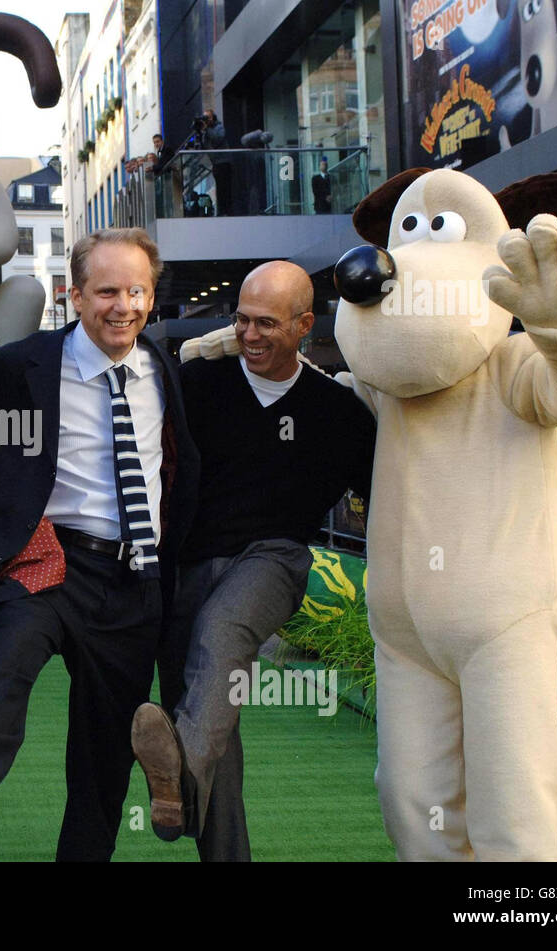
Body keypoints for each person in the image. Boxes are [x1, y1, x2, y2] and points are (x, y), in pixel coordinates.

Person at [0, 227, 200, 862]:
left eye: (136, 291)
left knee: (105, 751)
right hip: (49, 562)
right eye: (107, 291)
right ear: (75, 296)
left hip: (134, 578)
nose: (124, 306)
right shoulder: (19, 368)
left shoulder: (166, 370)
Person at [131, 260, 376, 861]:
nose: (251, 334)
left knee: (222, 633)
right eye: (241, 320)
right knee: (210, 726)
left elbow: (391, 496)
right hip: (186, 567)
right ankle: (185, 792)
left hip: (273, 559)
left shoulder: (337, 412)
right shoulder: (198, 387)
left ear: (304, 325)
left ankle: (176, 774)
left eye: (267, 322)